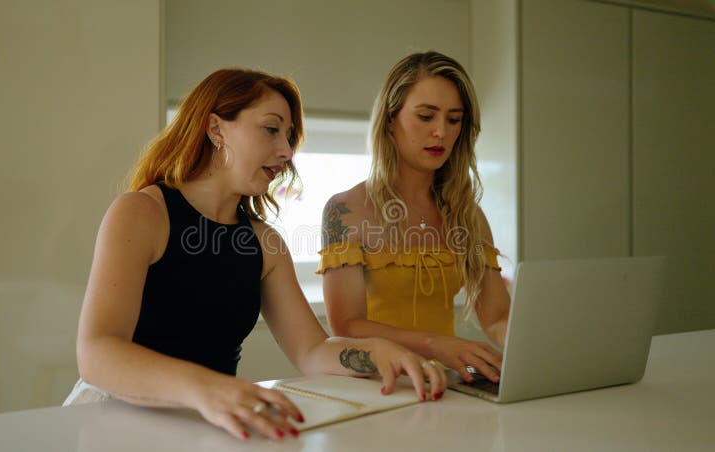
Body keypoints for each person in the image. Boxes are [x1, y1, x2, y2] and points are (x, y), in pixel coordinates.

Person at [67, 68, 447, 441]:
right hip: (112, 421)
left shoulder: (266, 244)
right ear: (216, 129)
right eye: (271, 129)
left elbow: (312, 350)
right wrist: (207, 388)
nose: (286, 151)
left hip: (207, 426)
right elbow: (98, 352)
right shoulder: (141, 213)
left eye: (290, 136)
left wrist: (377, 353)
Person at [318, 52, 511, 387]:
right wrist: (435, 343)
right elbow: (348, 325)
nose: (441, 132)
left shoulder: (469, 216)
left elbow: (496, 318)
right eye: (426, 116)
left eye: (454, 120)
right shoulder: (345, 210)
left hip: (448, 387)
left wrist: (551, 346)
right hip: (376, 386)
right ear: (390, 119)